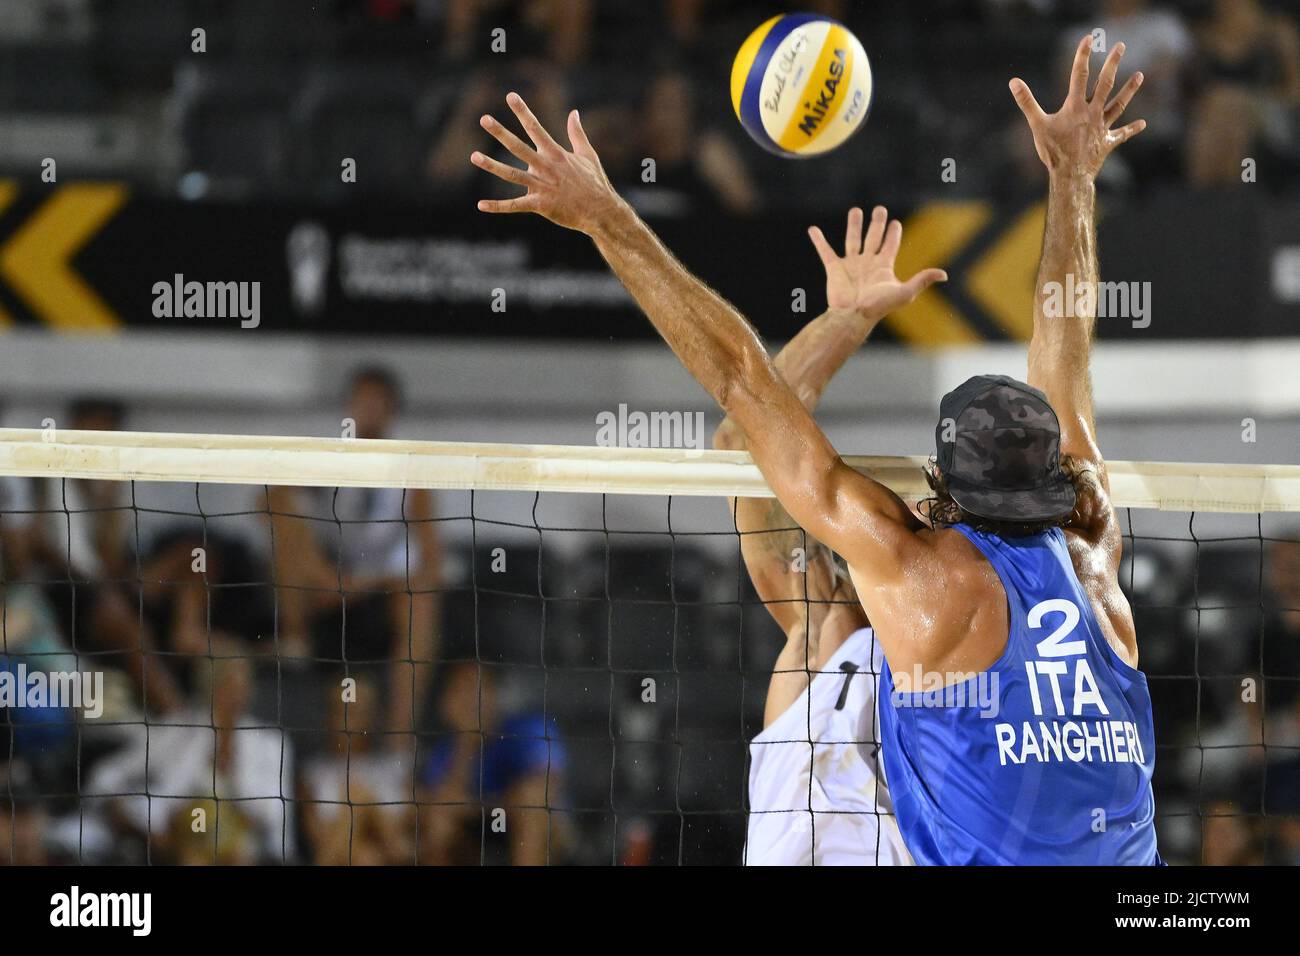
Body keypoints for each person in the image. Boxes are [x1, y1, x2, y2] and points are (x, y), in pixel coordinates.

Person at [470, 34, 1157, 865]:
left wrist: (608, 220)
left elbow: (742, 390)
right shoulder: (1089, 543)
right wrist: (1074, 179)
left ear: (940, 486)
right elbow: (1065, 362)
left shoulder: (905, 572)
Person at [713, 206, 922, 866]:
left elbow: (744, 441)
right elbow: (747, 441)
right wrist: (847, 322)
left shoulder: (934, 637)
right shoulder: (834, 629)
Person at [270, 366, 443, 741]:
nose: (369, 409)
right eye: (362, 400)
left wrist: (368, 584)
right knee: (283, 522)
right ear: (349, 406)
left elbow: (431, 557)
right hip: (323, 587)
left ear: (392, 410)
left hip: (379, 591)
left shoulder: (413, 470)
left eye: (378, 402)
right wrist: (326, 578)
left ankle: (400, 737)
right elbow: (273, 501)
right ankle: (295, 636)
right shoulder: (325, 459)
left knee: (423, 600)